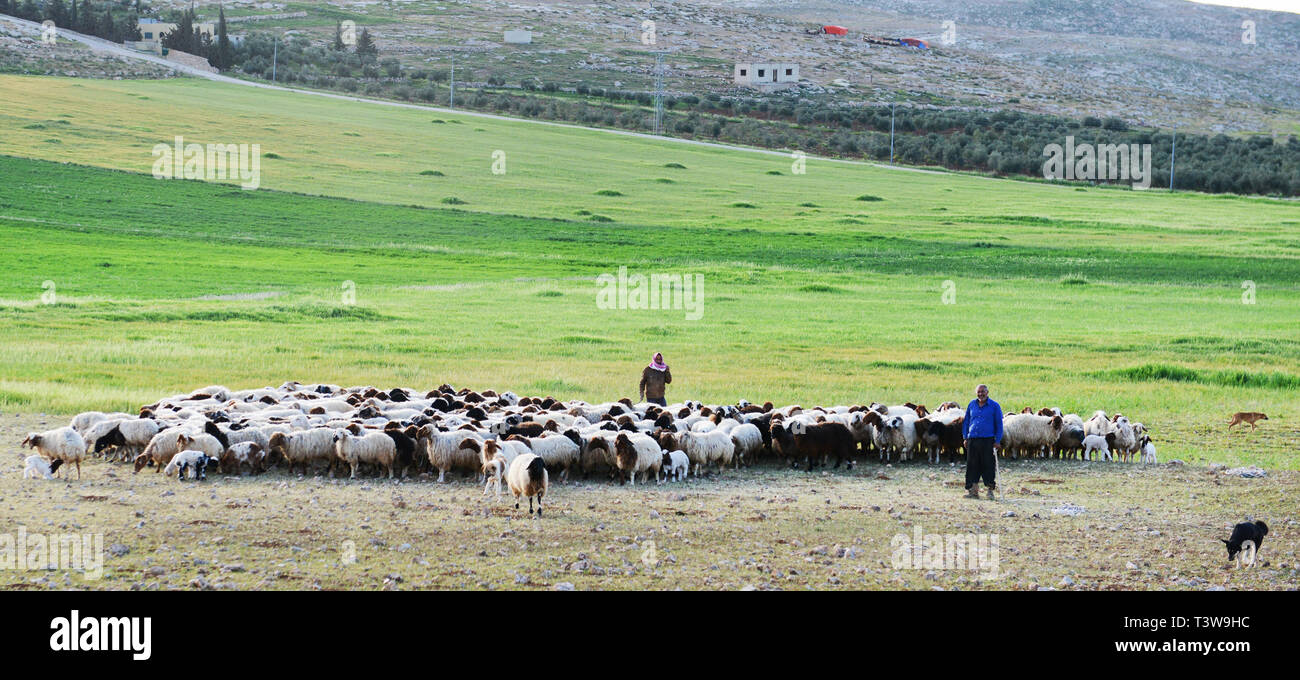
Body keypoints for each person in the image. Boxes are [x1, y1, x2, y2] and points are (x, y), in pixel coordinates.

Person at [962, 384, 1003, 500]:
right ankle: (973, 491)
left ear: (987, 392)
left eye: (983, 392)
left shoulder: (994, 406)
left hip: (988, 440)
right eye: (979, 392)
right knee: (972, 465)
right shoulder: (971, 404)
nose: (981, 394)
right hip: (973, 439)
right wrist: (965, 437)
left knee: (988, 465)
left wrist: (998, 440)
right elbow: (966, 421)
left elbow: (999, 424)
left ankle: (990, 491)